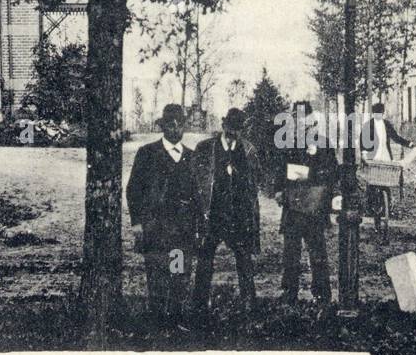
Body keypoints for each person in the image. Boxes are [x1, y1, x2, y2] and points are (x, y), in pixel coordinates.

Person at [125, 103, 200, 328]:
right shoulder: (147, 153)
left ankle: (176, 320)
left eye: (180, 124)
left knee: (178, 273)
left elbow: (198, 195)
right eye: (170, 124)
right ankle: (157, 321)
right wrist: (137, 222)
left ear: (184, 127)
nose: (175, 129)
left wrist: (196, 226)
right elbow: (133, 189)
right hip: (154, 228)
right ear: (163, 126)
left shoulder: (191, 157)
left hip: (181, 231)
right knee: (156, 273)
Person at [192, 107, 261, 317]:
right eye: (230, 129)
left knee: (244, 260)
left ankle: (249, 304)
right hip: (212, 215)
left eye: (238, 130)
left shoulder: (249, 151)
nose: (233, 134)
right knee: (205, 259)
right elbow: (195, 180)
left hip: (239, 217)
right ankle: (199, 304)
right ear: (223, 126)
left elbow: (255, 181)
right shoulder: (205, 148)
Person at [275, 101, 337, 309]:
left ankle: (322, 294)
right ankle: (289, 293)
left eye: (304, 121)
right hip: (293, 208)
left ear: (312, 121)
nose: (300, 124)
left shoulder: (324, 145)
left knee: (317, 252)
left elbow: (331, 174)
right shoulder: (288, 144)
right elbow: (280, 172)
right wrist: (278, 190)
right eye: (296, 119)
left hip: (314, 207)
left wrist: (308, 175)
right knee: (290, 253)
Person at [358, 101, 410, 230]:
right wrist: (364, 154)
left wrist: (409, 144)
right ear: (373, 113)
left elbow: (395, 137)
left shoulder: (386, 124)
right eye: (375, 113)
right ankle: (371, 208)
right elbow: (363, 141)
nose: (378, 116)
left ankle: (387, 206)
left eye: (380, 113)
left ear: (383, 113)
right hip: (373, 155)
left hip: (385, 154)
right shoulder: (368, 125)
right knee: (372, 182)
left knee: (385, 180)